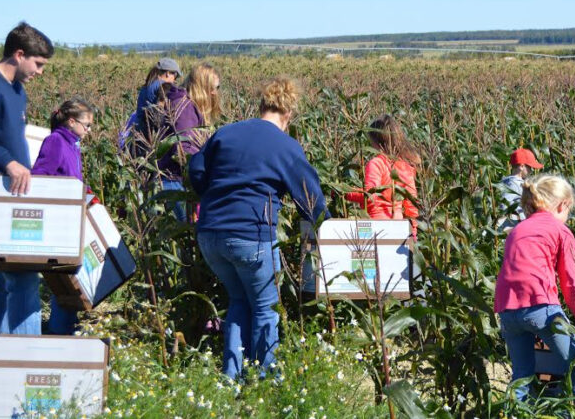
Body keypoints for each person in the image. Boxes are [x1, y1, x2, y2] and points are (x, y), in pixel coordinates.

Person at [189, 77, 328, 379]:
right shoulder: (285, 146)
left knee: (239, 301)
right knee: (266, 309)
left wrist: (213, 195)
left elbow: (196, 170)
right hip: (251, 235)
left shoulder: (225, 133)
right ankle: (267, 382)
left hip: (210, 232)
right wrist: (323, 230)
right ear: (288, 113)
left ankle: (232, 379)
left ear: (262, 105)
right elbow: (311, 199)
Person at [494, 175, 575, 400]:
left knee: (521, 376)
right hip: (539, 306)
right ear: (562, 205)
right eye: (568, 211)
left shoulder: (517, 230)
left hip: (507, 310)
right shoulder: (561, 231)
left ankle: (514, 414)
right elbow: (572, 287)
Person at [0, 22, 54, 335]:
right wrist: (9, 162)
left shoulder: (17, 91)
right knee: (23, 276)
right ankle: (27, 356)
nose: (39, 72)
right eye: (37, 64)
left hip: (13, 195)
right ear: (19, 54)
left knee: (5, 279)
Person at [32, 99, 95, 335]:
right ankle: (60, 332)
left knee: (71, 280)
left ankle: (65, 329)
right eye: (86, 125)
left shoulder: (73, 145)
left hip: (69, 218)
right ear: (71, 122)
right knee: (65, 281)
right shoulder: (56, 142)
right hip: (58, 221)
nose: (89, 130)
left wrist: (85, 192)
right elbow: (40, 177)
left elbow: (71, 179)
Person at [148, 63, 219, 222]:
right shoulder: (186, 107)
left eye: (217, 87)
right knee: (183, 231)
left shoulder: (187, 104)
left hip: (178, 180)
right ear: (201, 87)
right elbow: (183, 148)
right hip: (174, 181)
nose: (215, 92)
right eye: (212, 87)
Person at [345, 114, 421, 238]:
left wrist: (345, 192)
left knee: (367, 257)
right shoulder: (406, 165)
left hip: (376, 227)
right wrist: (413, 230)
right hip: (399, 228)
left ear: (376, 141)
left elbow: (370, 196)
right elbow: (411, 203)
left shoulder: (376, 163)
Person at [119, 58, 181, 151]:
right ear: (168, 73)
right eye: (175, 76)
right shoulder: (163, 86)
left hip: (137, 134)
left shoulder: (147, 85)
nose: (174, 80)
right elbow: (159, 115)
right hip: (148, 138)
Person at [497, 148, 544, 231]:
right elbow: (503, 206)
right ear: (522, 166)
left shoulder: (505, 181)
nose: (531, 170)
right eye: (529, 167)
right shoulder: (515, 184)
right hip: (509, 229)